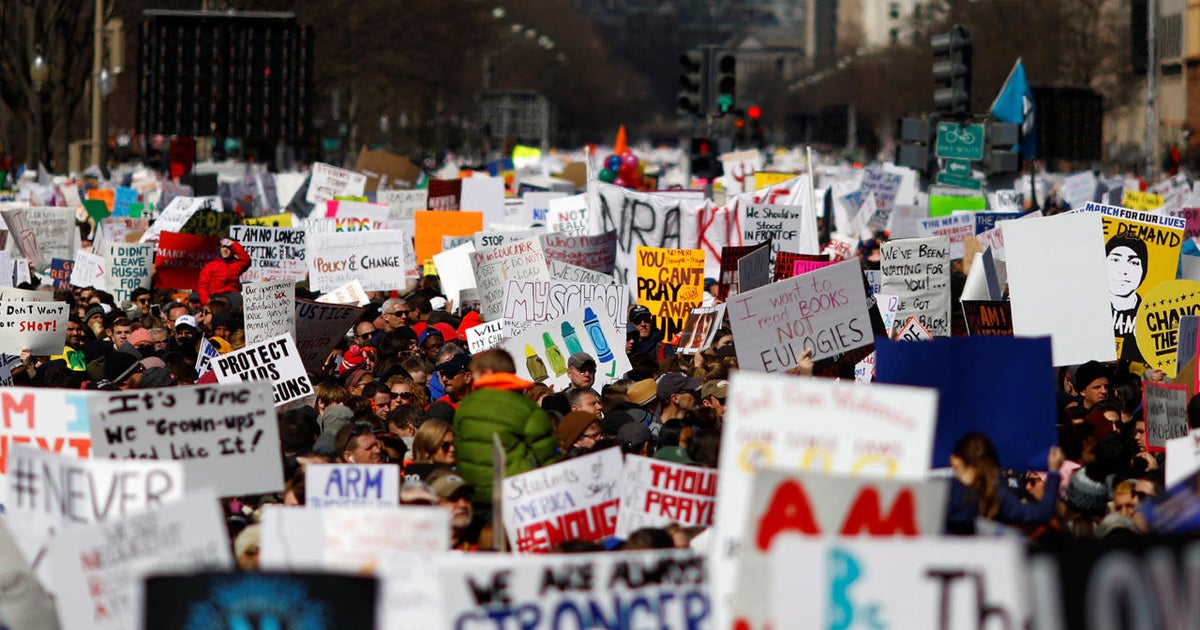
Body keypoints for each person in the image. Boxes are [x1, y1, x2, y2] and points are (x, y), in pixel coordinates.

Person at [453, 349, 558, 505]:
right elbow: (546, 457)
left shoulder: (464, 408)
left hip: (479, 499)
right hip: (519, 496)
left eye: (475, 375)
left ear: (487, 373)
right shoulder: (526, 407)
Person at [945, 432, 1064, 535]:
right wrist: (1053, 471)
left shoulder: (944, 493)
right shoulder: (996, 496)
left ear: (954, 460)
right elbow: (1042, 514)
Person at [1105, 236, 1148, 361]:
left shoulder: (1149, 318)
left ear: (1143, 270)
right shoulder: (1087, 311)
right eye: (1115, 260)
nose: (1123, 270)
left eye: (1134, 262)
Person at [427, 468, 479, 550]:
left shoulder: (481, 545)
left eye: (467, 497)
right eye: (453, 498)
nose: (463, 505)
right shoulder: (417, 546)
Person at [197, 237, 250, 304]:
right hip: (217, 297)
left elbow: (246, 260)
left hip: (234, 297)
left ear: (233, 250)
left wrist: (233, 244)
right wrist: (206, 301)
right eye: (223, 247)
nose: (225, 250)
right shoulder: (210, 266)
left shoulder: (237, 264)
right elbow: (202, 286)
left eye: (229, 248)